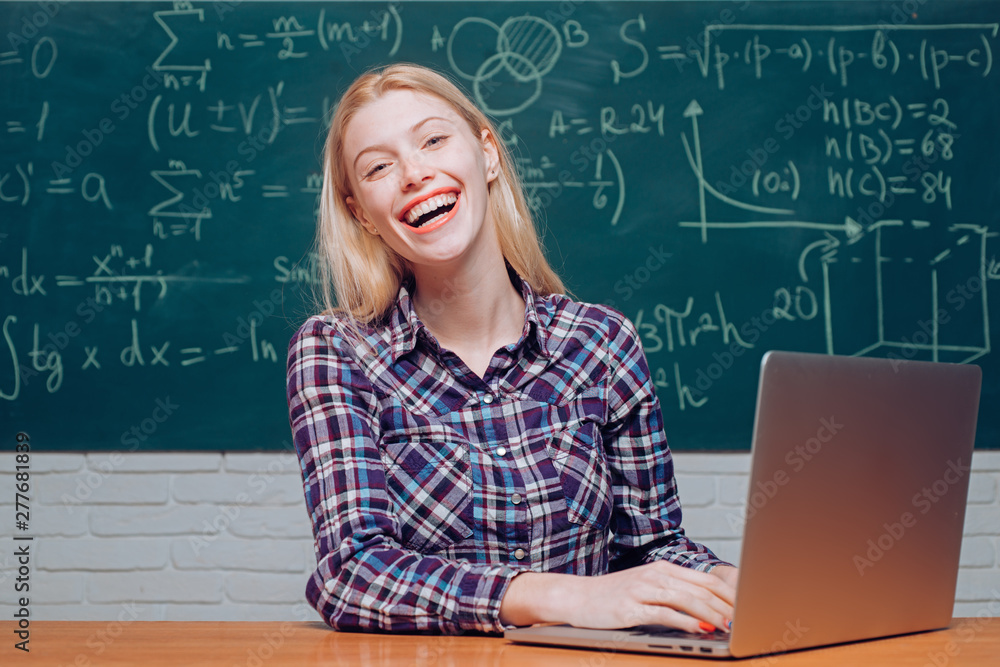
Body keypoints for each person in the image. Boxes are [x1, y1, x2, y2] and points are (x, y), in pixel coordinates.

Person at [286, 63, 738, 635]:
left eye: (432, 139)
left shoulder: (601, 342)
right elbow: (352, 572)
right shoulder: (336, 353)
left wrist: (724, 583)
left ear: (488, 155)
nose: (414, 173)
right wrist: (565, 598)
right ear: (362, 215)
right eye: (379, 167)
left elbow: (652, 549)